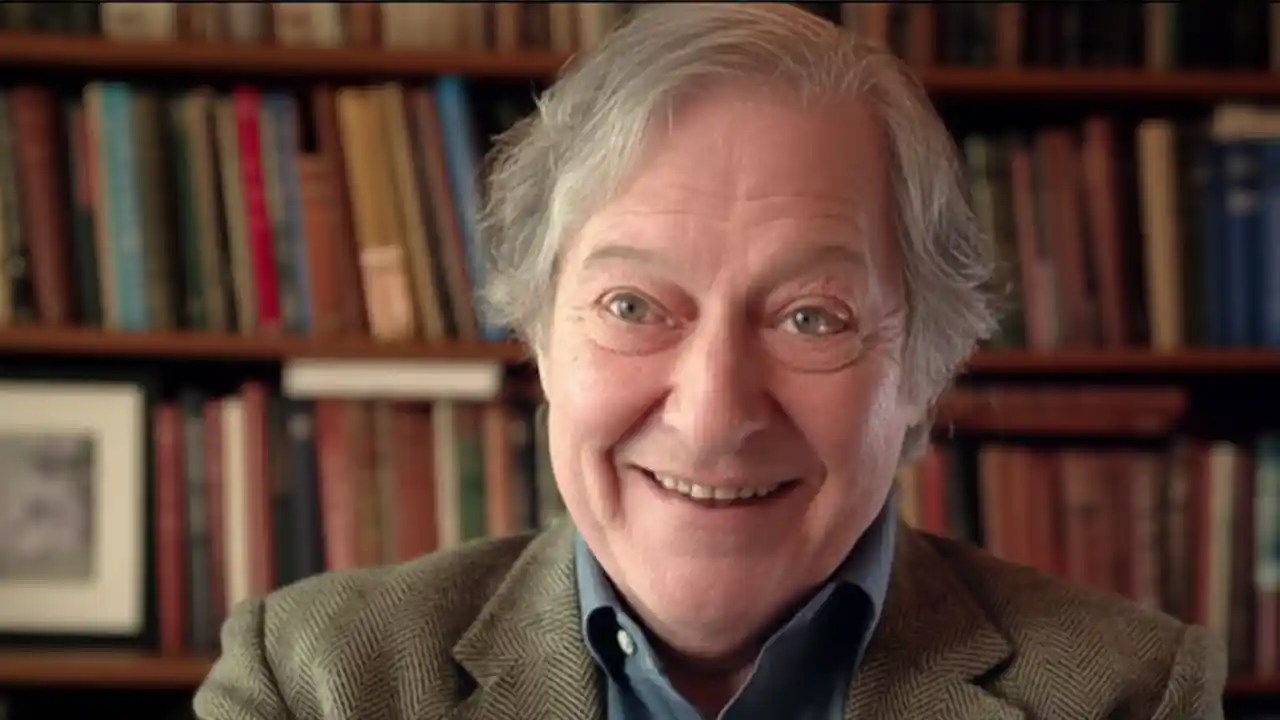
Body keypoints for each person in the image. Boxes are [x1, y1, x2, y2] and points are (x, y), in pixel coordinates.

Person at [193, 4, 1226, 718]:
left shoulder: (1124, 694)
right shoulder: (318, 681)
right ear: (541, 339)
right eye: (633, 305)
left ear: (920, 364)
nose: (713, 412)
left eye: (810, 318)